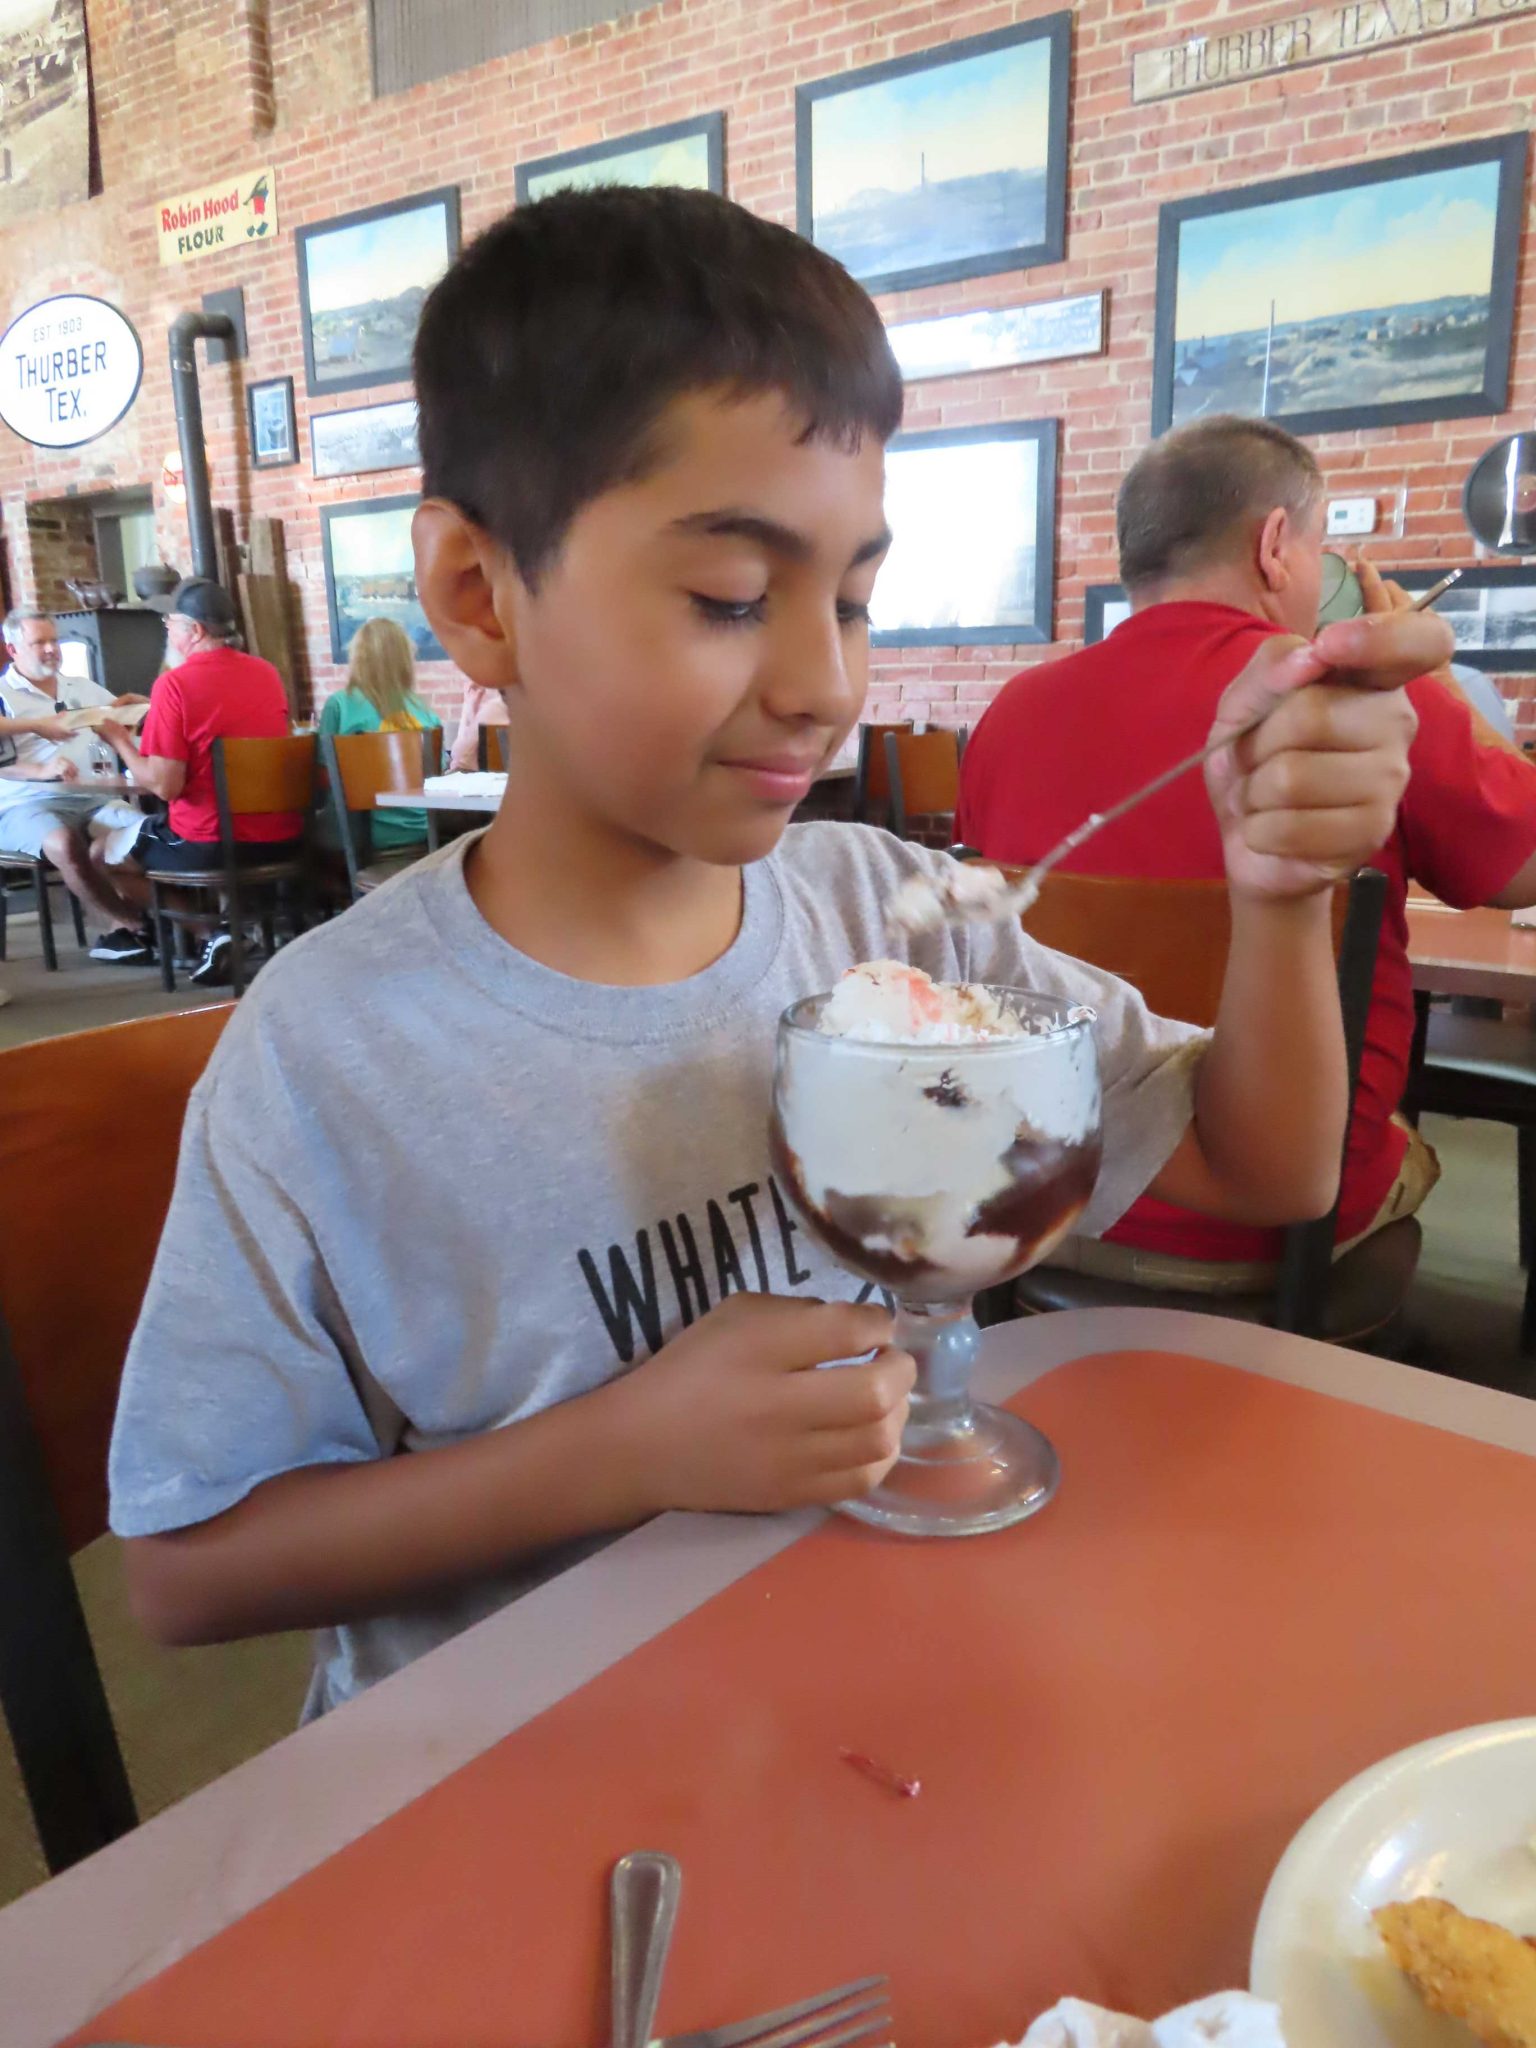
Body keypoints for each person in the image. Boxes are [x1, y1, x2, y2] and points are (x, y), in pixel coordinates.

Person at [108, 190, 1435, 1720]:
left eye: (854, 599)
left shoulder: (891, 912)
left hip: (854, 1696)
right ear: (478, 595)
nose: (827, 681)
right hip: (512, 1754)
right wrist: (622, 1451)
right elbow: (185, 1572)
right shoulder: (331, 1049)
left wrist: (1280, 895)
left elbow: (1271, 1171)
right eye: (734, 598)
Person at [957, 415, 1536, 1292]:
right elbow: (1521, 871)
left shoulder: (1010, 711)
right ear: (1274, 547)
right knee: (1407, 1133)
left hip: (1036, 1192)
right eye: (1320, 551)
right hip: (1279, 1217)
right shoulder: (1358, 709)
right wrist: (1438, 689)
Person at [101, 577, 302, 989]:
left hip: (210, 843)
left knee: (103, 852)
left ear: (194, 630)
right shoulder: (267, 673)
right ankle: (229, 929)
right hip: (281, 836)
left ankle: (213, 935)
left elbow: (165, 787)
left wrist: (119, 740)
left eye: (170, 623)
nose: (167, 631)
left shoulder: (173, 684)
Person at [0, 607, 155, 962]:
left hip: (94, 797)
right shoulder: (4, 694)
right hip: (25, 802)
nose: (51, 649)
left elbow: (124, 723)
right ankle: (133, 924)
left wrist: (142, 706)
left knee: (142, 834)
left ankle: (150, 926)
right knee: (64, 842)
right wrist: (41, 767)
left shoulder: (81, 687)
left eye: (54, 641)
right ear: (13, 649)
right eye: (39, 642)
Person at [318, 617, 442, 851]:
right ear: (406, 659)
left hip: (361, 838)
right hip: (424, 831)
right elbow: (438, 777)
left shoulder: (339, 704)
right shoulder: (425, 712)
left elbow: (325, 778)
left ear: (357, 658)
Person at [446, 677, 509, 772]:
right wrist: (471, 710)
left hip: (471, 776)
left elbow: (459, 758)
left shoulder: (495, 708)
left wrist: (468, 708)